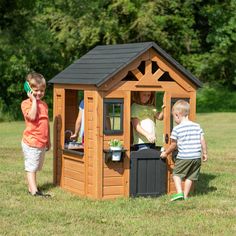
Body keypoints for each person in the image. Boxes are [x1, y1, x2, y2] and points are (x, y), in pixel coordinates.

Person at [160, 99, 208, 201]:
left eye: (174, 117)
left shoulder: (177, 129)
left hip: (184, 157)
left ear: (177, 115)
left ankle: (179, 193)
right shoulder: (197, 126)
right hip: (196, 157)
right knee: (190, 176)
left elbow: (173, 145)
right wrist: (205, 153)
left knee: (176, 175)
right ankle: (185, 196)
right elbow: (202, 140)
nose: (175, 120)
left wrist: (165, 153)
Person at [21, 72, 51, 197]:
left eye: (42, 90)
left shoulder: (44, 105)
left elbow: (46, 123)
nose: (39, 93)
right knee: (31, 166)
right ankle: (34, 191)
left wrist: (48, 140)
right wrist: (33, 100)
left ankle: (30, 187)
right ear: (28, 89)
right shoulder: (26, 104)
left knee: (37, 166)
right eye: (36, 90)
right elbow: (32, 116)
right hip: (31, 141)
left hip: (41, 142)